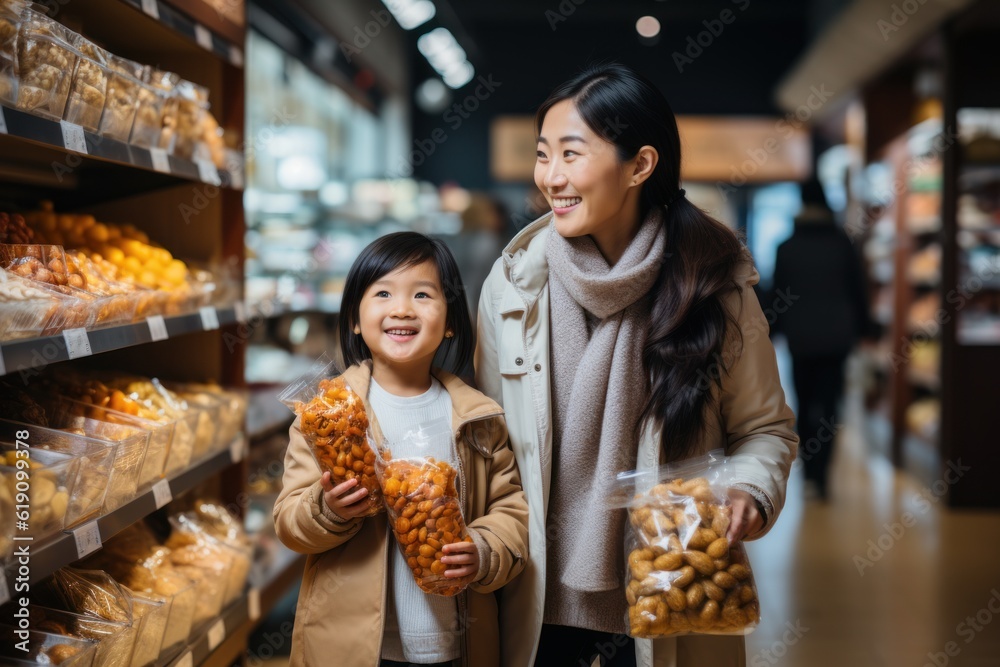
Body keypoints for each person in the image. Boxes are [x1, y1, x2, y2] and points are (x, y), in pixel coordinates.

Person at [474, 64, 799, 667]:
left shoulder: (713, 286)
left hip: (671, 586)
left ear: (640, 165)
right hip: (536, 596)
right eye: (543, 155)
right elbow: (488, 444)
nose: (551, 177)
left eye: (572, 154)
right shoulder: (514, 286)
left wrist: (752, 490)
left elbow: (765, 429)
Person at [274, 232, 529, 667]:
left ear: (450, 320)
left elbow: (511, 511)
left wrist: (483, 550)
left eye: (424, 294)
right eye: (384, 293)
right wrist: (329, 509)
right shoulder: (328, 416)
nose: (402, 308)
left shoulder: (477, 418)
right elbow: (289, 522)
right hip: (354, 647)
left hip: (454, 641)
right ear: (355, 317)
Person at [771, 178, 873, 500]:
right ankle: (823, 474)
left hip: (801, 337)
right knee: (830, 406)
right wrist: (866, 328)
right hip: (836, 338)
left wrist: (770, 333)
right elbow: (858, 291)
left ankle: (810, 468)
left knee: (803, 402)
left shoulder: (786, 246)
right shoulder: (842, 243)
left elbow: (777, 296)